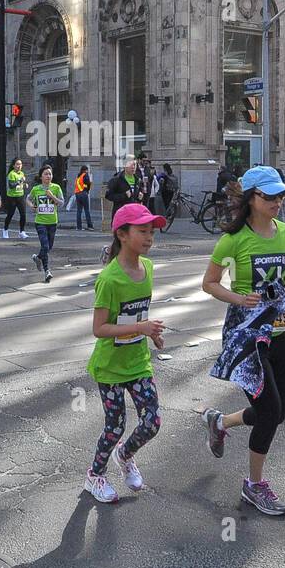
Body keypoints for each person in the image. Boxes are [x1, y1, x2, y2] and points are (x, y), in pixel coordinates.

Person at [200, 166, 285, 517]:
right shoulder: (233, 239)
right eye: (269, 196)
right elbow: (209, 282)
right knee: (269, 411)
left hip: (278, 331)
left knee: (278, 412)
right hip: (246, 338)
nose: (278, 202)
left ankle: (220, 422)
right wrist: (239, 299)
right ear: (250, 198)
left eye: (281, 195)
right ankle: (254, 486)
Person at [83, 202, 166, 504]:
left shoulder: (149, 268)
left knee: (152, 423)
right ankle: (95, 475)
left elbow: (137, 315)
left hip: (138, 362)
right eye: (142, 232)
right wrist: (141, 328)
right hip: (110, 368)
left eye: (152, 232)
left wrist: (151, 333)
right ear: (122, 234)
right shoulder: (109, 279)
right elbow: (99, 328)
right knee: (114, 425)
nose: (149, 238)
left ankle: (125, 455)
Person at [28, 164, 65, 283]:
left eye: (50, 174)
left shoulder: (56, 187)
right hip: (40, 222)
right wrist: (32, 206)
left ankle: (37, 257)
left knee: (49, 247)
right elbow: (28, 198)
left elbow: (62, 203)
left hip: (52, 222)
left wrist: (52, 196)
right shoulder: (36, 189)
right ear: (41, 176)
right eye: (46, 174)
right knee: (45, 246)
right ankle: (47, 271)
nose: (48, 176)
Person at [2, 158, 29, 238]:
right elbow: (11, 186)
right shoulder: (11, 174)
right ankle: (5, 230)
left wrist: (24, 185)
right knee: (10, 214)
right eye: (17, 164)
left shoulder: (22, 173)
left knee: (23, 214)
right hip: (12, 197)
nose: (19, 166)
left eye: (20, 164)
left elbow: (22, 184)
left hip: (20, 196)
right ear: (13, 165)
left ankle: (22, 231)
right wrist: (20, 181)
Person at [73, 164, 94, 231]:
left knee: (79, 211)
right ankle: (90, 226)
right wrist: (87, 191)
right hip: (83, 194)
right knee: (86, 210)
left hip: (77, 194)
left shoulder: (78, 177)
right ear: (86, 170)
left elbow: (79, 185)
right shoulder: (85, 175)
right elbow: (88, 184)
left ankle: (79, 227)